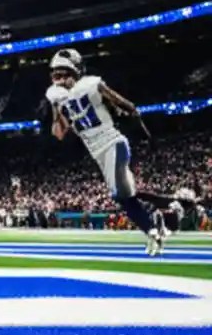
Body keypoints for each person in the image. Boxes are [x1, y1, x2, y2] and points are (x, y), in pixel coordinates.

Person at [46, 48, 164, 255]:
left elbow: (124, 103)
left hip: (113, 143)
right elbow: (59, 133)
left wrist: (135, 120)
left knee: (120, 193)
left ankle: (156, 217)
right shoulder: (56, 96)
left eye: (64, 74)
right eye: (56, 75)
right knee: (125, 198)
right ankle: (153, 229)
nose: (60, 80)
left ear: (77, 72)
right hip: (97, 152)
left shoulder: (91, 84)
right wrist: (56, 109)